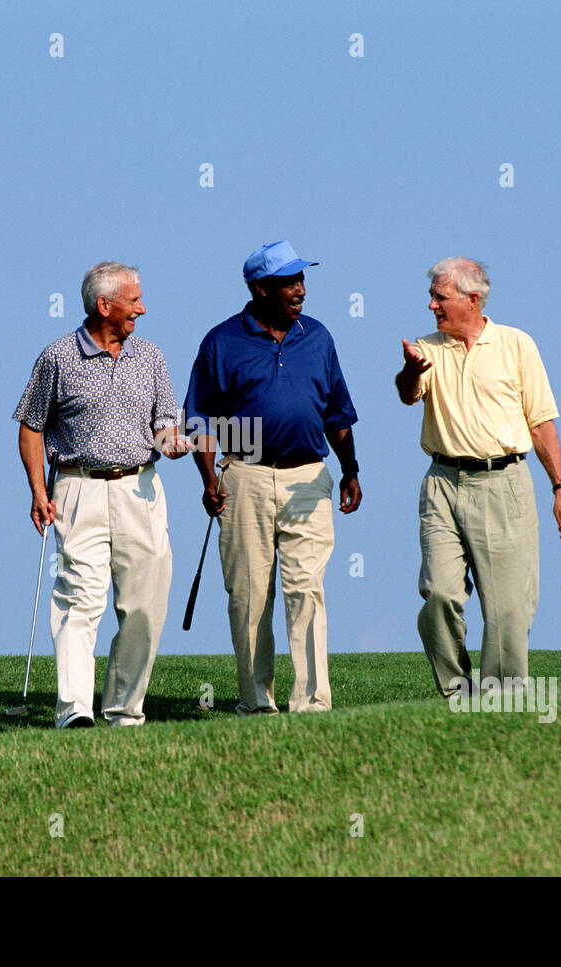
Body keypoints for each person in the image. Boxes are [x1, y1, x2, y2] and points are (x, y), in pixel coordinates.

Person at [184, 240, 361, 716]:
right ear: (260, 289)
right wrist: (209, 480)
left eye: (302, 280)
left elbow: (337, 413)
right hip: (244, 478)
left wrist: (351, 470)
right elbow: (199, 421)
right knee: (248, 596)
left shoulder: (318, 337)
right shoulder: (221, 342)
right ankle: (256, 702)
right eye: (289, 283)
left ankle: (310, 703)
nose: (300, 290)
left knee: (306, 588)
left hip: (309, 477)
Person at [12, 261, 190, 728]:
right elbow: (31, 427)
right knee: (79, 598)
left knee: (146, 604)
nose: (143, 308)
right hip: (77, 488)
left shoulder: (150, 357)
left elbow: (164, 422)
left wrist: (171, 441)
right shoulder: (57, 357)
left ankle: (124, 710)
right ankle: (74, 709)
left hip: (141, 487)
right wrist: (36, 490)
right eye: (134, 301)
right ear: (104, 305)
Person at [395, 257, 561, 696]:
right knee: (440, 594)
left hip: (505, 484)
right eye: (432, 297)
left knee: (508, 609)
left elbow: (541, 424)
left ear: (472, 300)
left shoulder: (517, 345)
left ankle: (501, 701)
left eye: (440, 297)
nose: (432, 306)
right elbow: (407, 395)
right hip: (442, 483)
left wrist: (560, 489)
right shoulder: (426, 347)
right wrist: (409, 372)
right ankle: (458, 694)